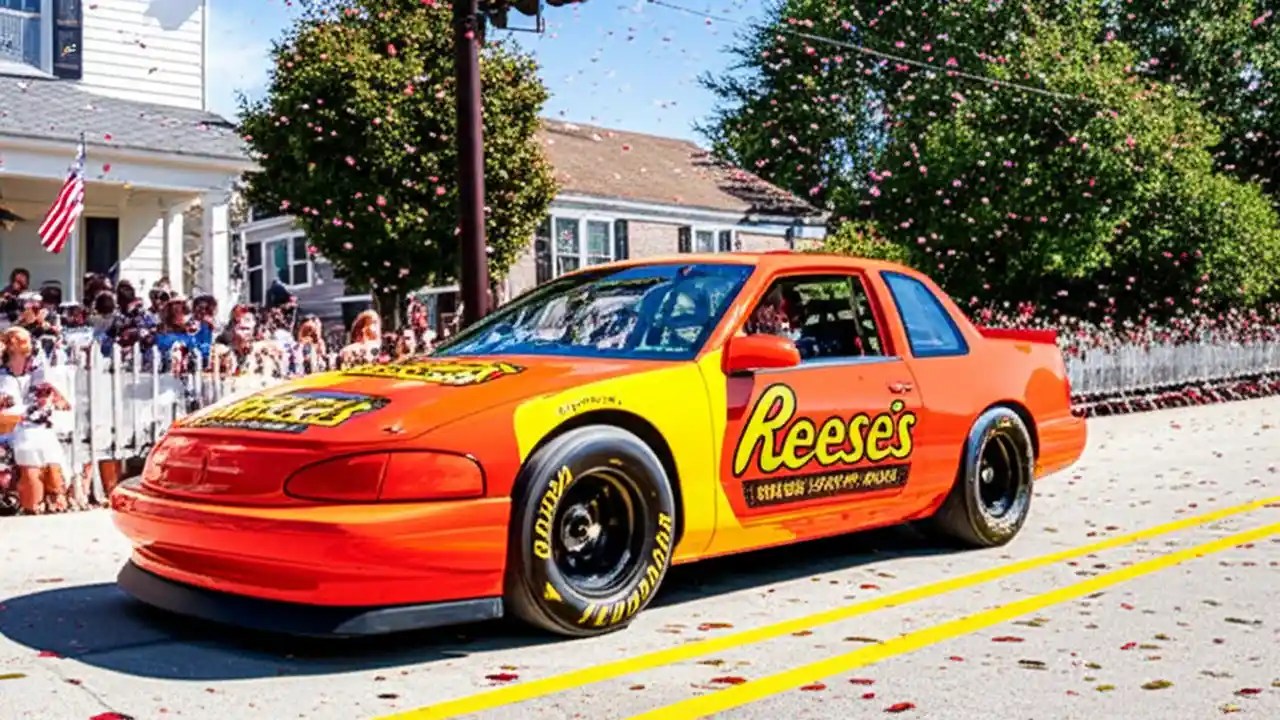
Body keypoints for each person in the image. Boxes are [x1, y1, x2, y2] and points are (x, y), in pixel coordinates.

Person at [0, 327, 71, 514]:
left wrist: (21, 413)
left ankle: (54, 495)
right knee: (26, 443)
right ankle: (29, 498)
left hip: (33, 426)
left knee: (35, 441)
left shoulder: (38, 368)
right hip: (8, 428)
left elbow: (42, 403)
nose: (28, 346)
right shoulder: (3, 371)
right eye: (22, 341)